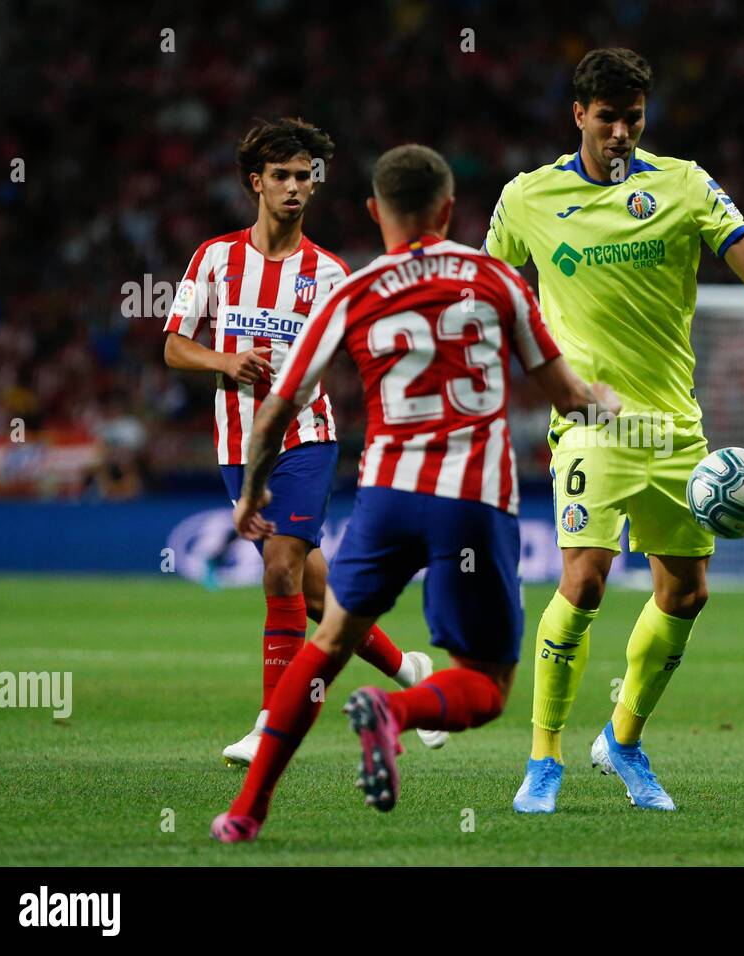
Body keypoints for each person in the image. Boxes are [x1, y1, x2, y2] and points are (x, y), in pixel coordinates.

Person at [210, 144, 619, 843]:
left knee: (330, 639)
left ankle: (246, 812)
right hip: (472, 502)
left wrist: (251, 492)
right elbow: (566, 395)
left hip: (387, 497)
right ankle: (394, 712)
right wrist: (599, 404)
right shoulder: (496, 282)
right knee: (487, 684)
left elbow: (279, 405)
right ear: (449, 210)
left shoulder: (353, 291)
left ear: (375, 212)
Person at [483, 48, 744, 813]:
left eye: (634, 119)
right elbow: (490, 289)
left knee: (684, 595)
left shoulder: (684, 184)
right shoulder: (528, 198)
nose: (622, 132)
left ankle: (621, 740)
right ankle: (543, 757)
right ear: (579, 115)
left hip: (674, 429)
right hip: (588, 420)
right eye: (609, 118)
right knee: (583, 579)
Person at [163, 118, 444, 764]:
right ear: (256, 182)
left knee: (281, 564)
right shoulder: (215, 258)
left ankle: (269, 722)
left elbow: (364, 354)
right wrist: (223, 363)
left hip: (306, 437)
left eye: (304, 176)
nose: (295, 187)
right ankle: (411, 671)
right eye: (282, 176)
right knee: (318, 595)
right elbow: (174, 345)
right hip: (239, 442)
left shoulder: (329, 272)